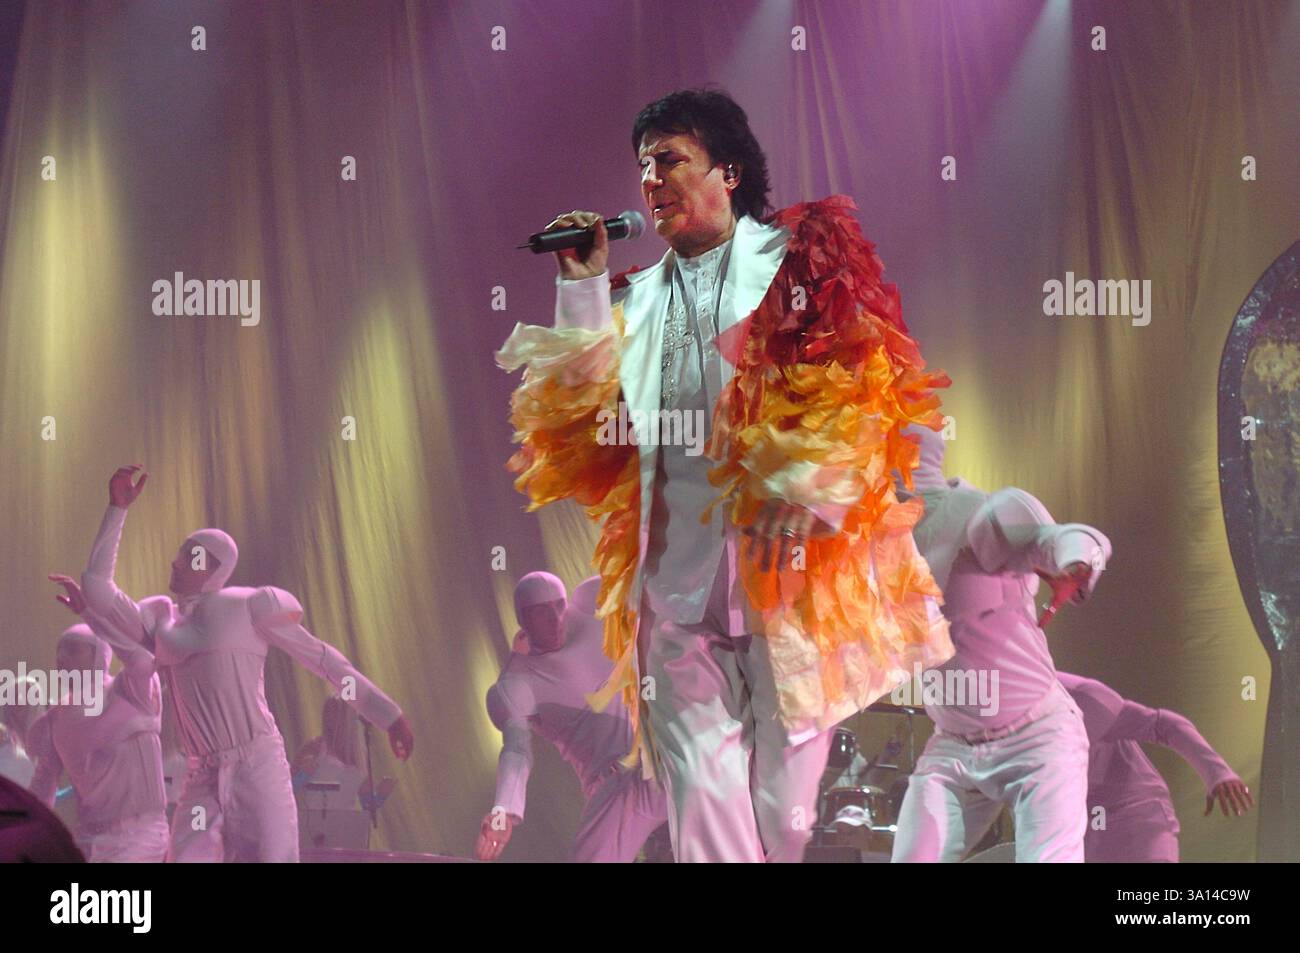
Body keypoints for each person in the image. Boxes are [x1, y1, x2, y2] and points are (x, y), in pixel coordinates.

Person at [496, 88, 953, 862]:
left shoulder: (798, 261)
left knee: (781, 822)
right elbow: (579, 427)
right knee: (703, 809)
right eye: (642, 165)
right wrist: (579, 285)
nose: (651, 179)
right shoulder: (634, 300)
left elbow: (864, 378)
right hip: (675, 596)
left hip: (791, 590)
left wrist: (805, 485)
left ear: (728, 170)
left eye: (669, 158)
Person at [79, 464, 415, 862]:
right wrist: (117, 510)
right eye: (182, 554)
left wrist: (387, 714)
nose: (175, 562)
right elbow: (98, 590)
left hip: (257, 767)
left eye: (191, 557)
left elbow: (324, 660)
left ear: (213, 567)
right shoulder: (161, 617)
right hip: (202, 776)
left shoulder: (250, 606)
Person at [889, 425, 1111, 862]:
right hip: (953, 746)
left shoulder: (977, 516)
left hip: (1037, 738)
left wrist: (1075, 561)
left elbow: (1062, 538)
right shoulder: (871, 544)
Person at [476, 573, 667, 862]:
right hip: (618, 786)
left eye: (559, 605)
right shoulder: (518, 681)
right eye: (541, 612)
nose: (555, 618)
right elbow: (516, 749)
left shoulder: (591, 603)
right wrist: (504, 811)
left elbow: (644, 565)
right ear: (523, 620)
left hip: (662, 756)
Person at [28, 574, 169, 862]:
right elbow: (45, 781)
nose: (61, 657)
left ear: (98, 655)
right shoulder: (56, 716)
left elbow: (141, 658)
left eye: (72, 649)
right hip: (87, 838)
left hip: (140, 835)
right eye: (59, 651)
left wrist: (89, 615)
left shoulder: (129, 689)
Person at [1057, 671, 1253, 862]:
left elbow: (1160, 724)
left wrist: (1218, 773)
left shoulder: (1078, 696)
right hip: (1080, 825)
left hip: (1134, 815)